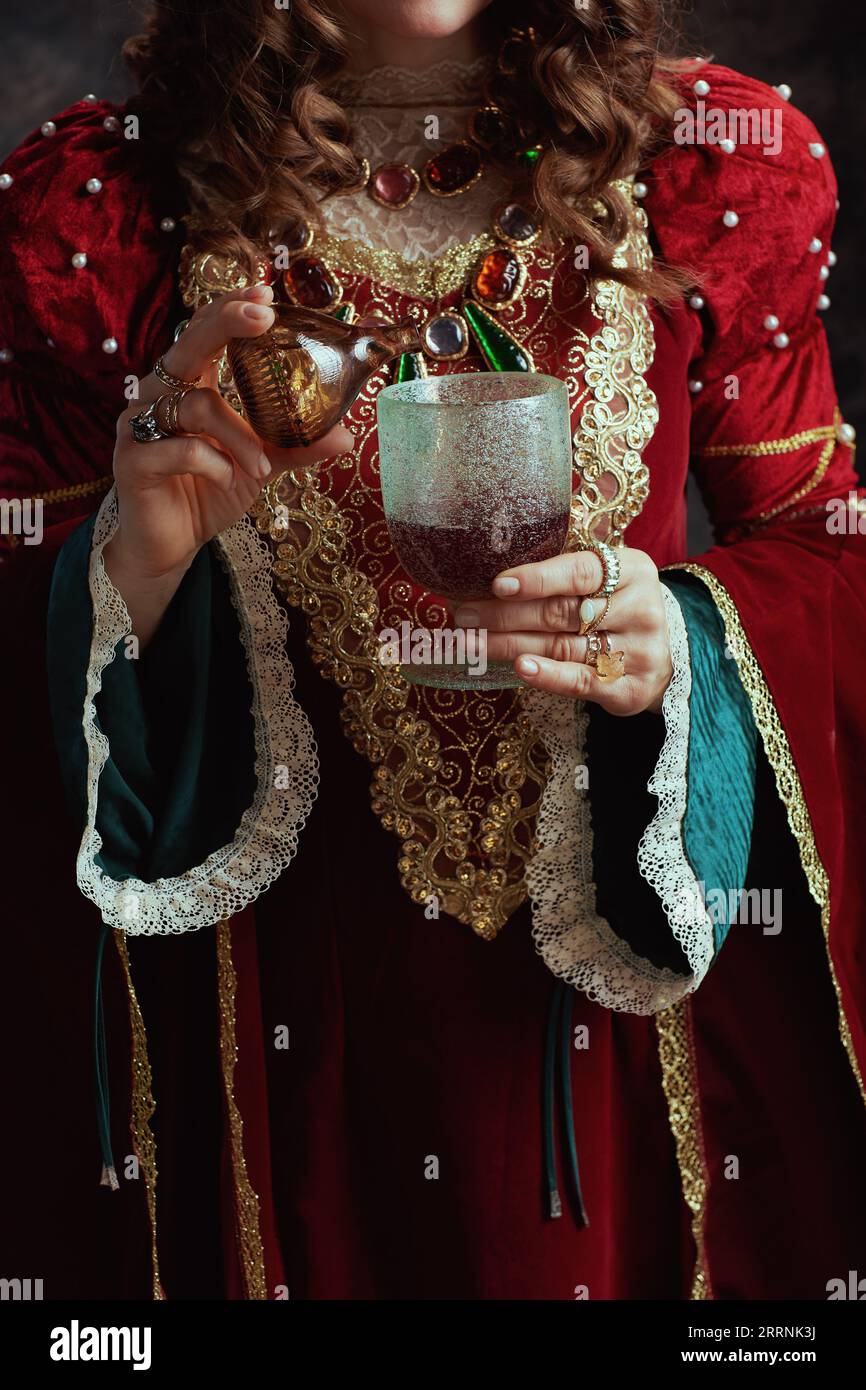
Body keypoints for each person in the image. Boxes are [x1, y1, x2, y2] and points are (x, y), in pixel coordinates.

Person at [1, 0, 865, 1301]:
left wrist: (680, 645)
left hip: (615, 1022)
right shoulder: (108, 207)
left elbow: (824, 546)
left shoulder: (705, 169)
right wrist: (135, 562)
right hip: (273, 1056)